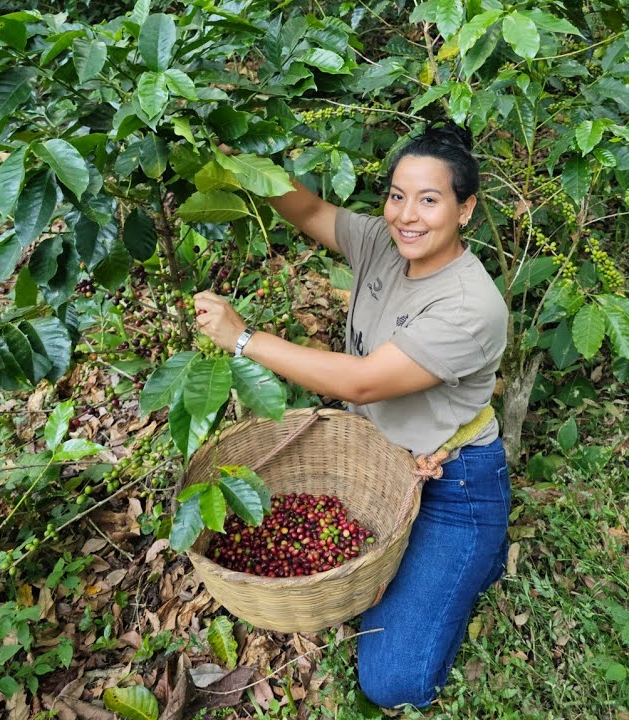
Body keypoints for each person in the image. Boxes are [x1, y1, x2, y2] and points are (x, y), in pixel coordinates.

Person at [192, 125, 509, 709]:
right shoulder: (384, 244)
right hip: (379, 459)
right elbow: (308, 207)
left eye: (429, 199)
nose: (407, 215)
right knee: (352, 576)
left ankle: (480, 555)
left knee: (393, 681)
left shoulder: (469, 305)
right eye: (396, 195)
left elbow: (361, 382)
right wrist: (235, 164)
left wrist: (243, 340)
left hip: (452, 482)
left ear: (466, 209)